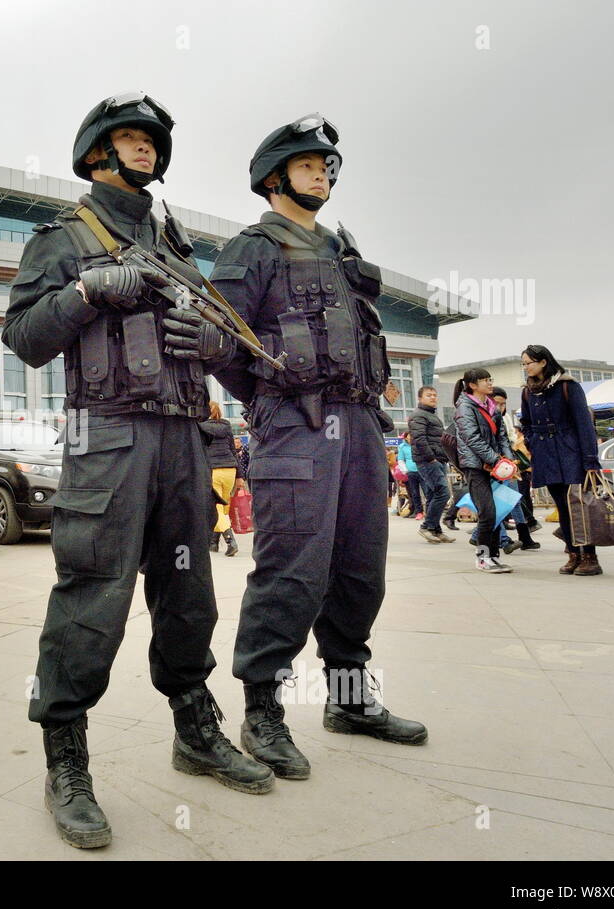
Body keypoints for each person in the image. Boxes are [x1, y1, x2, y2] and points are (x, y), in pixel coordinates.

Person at [4, 92, 271, 849]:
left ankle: (196, 731)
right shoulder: (61, 238)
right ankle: (66, 761)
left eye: (151, 140)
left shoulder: (175, 243)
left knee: (189, 594)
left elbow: (226, 340)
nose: (145, 148)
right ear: (96, 151)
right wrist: (85, 292)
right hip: (107, 435)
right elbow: (23, 336)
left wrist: (212, 343)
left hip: (184, 436)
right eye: (129, 137)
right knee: (92, 595)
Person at [210, 112, 427, 785]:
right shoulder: (253, 247)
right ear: (274, 177)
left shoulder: (338, 249)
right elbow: (222, 341)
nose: (321, 174)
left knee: (361, 569)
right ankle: (263, 713)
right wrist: (276, 394)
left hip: (360, 423)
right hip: (296, 424)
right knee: (292, 573)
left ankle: (350, 700)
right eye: (307, 165)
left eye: (326, 166)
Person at [519, 345, 603, 575]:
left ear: (543, 362)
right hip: (545, 454)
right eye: (524, 364)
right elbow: (525, 422)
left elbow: (584, 425)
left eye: (529, 363)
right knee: (562, 506)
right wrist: (531, 441)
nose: (526, 367)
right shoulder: (528, 391)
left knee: (579, 505)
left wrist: (590, 461)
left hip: (570, 452)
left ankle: (590, 556)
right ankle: (573, 554)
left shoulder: (568, 386)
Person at [453, 368, 516, 573]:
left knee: (497, 512)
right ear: (472, 385)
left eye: (490, 380)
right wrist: (496, 459)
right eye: (485, 380)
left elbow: (502, 437)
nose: (490, 383)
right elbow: (472, 439)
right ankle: (482, 558)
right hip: (476, 466)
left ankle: (493, 556)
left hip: (495, 467)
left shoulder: (491, 406)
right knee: (487, 512)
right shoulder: (464, 407)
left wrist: (508, 459)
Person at [488, 389, 539, 553]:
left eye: (503, 404)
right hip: (494, 464)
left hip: (507, 463)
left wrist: (510, 461)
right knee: (499, 503)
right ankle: (502, 539)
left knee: (514, 499)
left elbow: (508, 440)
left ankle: (524, 537)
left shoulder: (505, 418)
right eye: (497, 403)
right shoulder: (485, 418)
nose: (501, 407)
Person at [407, 386, 454, 543]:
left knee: (434, 494)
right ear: (420, 398)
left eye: (435, 395)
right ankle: (426, 527)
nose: (433, 398)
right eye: (429, 395)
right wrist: (430, 457)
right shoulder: (418, 415)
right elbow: (419, 438)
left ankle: (435, 529)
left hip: (439, 459)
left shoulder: (432, 415)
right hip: (428, 460)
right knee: (443, 492)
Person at [200, 401, 245, 556]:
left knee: (215, 507)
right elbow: (233, 450)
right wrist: (240, 476)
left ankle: (230, 540)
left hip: (213, 470)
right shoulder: (226, 426)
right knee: (223, 506)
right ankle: (213, 543)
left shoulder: (201, 426)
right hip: (230, 471)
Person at [396, 431, 422, 520]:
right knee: (413, 493)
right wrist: (405, 471)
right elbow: (400, 460)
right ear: (406, 437)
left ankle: (426, 511)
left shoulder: (419, 445)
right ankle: (416, 511)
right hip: (410, 472)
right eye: (409, 436)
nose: (411, 438)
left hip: (422, 471)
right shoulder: (402, 447)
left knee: (427, 492)